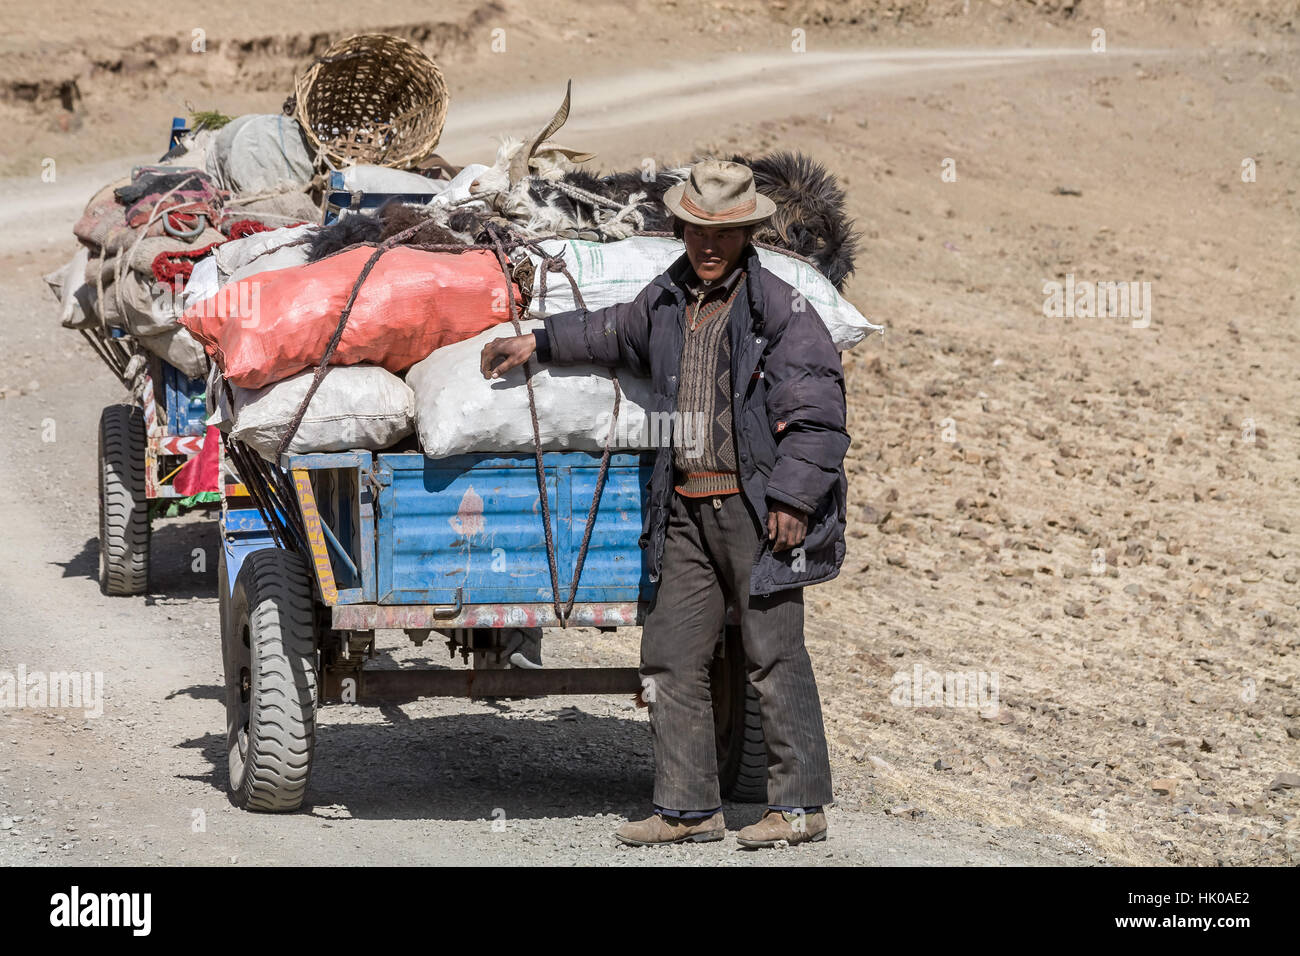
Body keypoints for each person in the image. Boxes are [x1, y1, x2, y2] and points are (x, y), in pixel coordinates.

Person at [479, 159, 850, 848]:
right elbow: (614, 330)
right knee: (671, 657)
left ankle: (800, 808)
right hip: (683, 506)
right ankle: (688, 809)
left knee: (773, 655)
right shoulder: (669, 299)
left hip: (757, 509)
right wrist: (539, 339)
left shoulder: (783, 314)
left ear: (747, 235)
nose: (709, 246)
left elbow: (819, 417)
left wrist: (794, 498)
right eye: (697, 232)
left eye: (724, 234)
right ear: (680, 229)